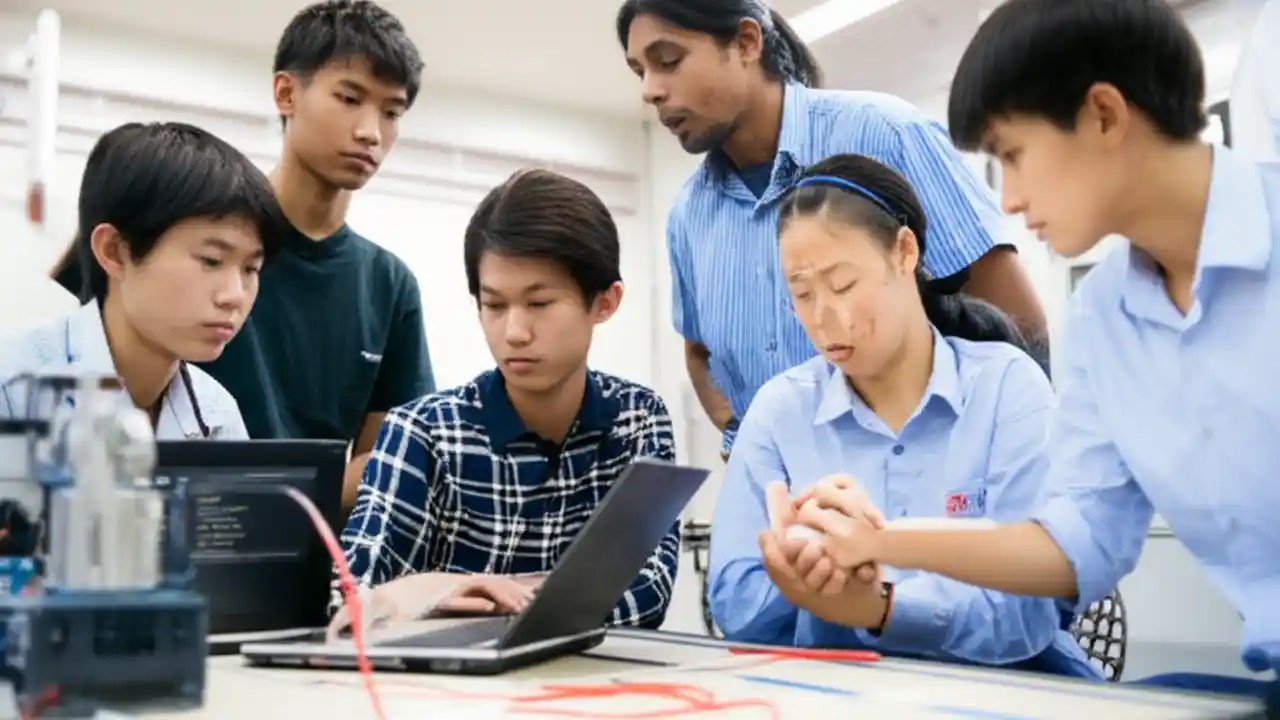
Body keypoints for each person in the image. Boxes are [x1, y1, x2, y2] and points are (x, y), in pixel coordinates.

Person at [782, 0, 1280, 696]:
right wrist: (879, 542)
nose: (1009, 199)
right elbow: (1078, 542)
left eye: (1012, 155)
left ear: (1103, 115)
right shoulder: (1106, 318)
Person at [707, 155, 1096, 678]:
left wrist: (878, 600)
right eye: (801, 294)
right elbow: (735, 605)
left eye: (842, 284)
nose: (824, 319)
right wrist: (807, 569)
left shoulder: (1006, 388)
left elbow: (1028, 609)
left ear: (904, 252)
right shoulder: (781, 412)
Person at [616, 0, 1049, 456]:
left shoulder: (887, 134)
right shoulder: (689, 216)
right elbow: (701, 355)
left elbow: (1017, 327)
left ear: (746, 42)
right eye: (638, 71)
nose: (650, 90)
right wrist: (747, 441)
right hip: (790, 505)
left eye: (668, 61)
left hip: (930, 483)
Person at [50, 0, 435, 509]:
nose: (371, 132)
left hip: (300, 552)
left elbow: (390, 455)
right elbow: (83, 369)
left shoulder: (389, 284)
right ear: (286, 92)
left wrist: (263, 505)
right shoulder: (172, 214)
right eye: (349, 98)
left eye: (392, 112)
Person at [334, 169, 680, 629]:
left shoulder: (638, 418)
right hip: (442, 690)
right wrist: (453, 592)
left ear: (604, 303)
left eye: (539, 304)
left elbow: (649, 589)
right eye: (494, 305)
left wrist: (482, 596)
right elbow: (354, 593)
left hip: (585, 685)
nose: (514, 333)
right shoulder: (423, 432)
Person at [1, 121, 286, 439]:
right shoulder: (12, 389)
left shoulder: (217, 413)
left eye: (250, 269)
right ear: (114, 252)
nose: (234, 296)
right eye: (211, 260)